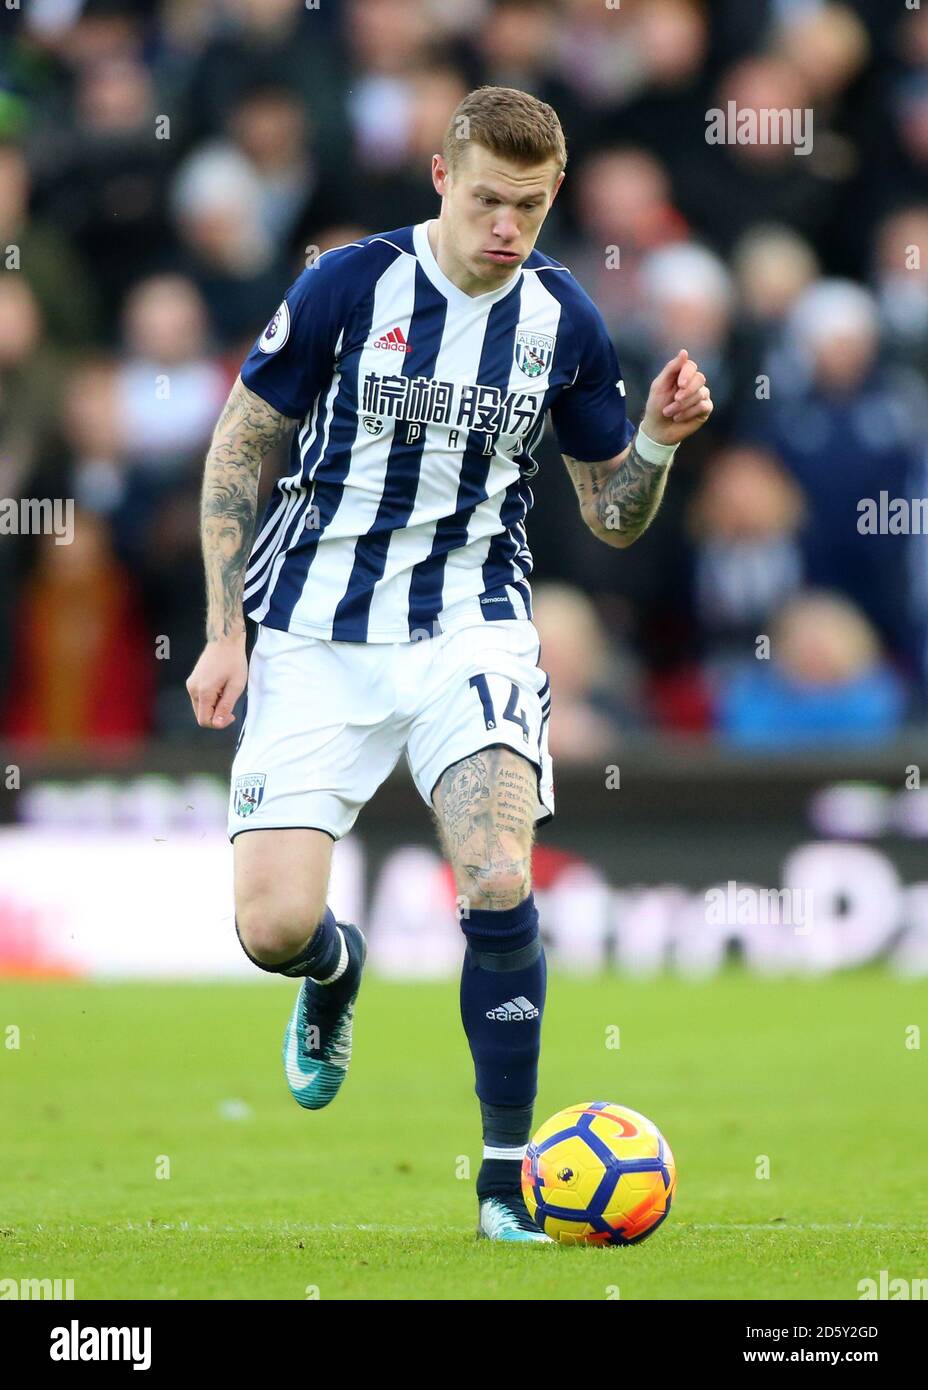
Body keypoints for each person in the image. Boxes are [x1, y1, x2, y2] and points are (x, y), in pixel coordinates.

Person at [185, 86, 713, 1242]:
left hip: (470, 621)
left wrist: (661, 447)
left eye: (530, 206)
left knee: (495, 875)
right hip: (314, 629)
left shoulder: (564, 324)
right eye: (486, 201)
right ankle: (334, 971)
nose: (506, 227)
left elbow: (610, 515)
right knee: (271, 928)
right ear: (440, 179)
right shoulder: (346, 284)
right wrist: (225, 627)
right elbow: (243, 442)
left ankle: (502, 1185)